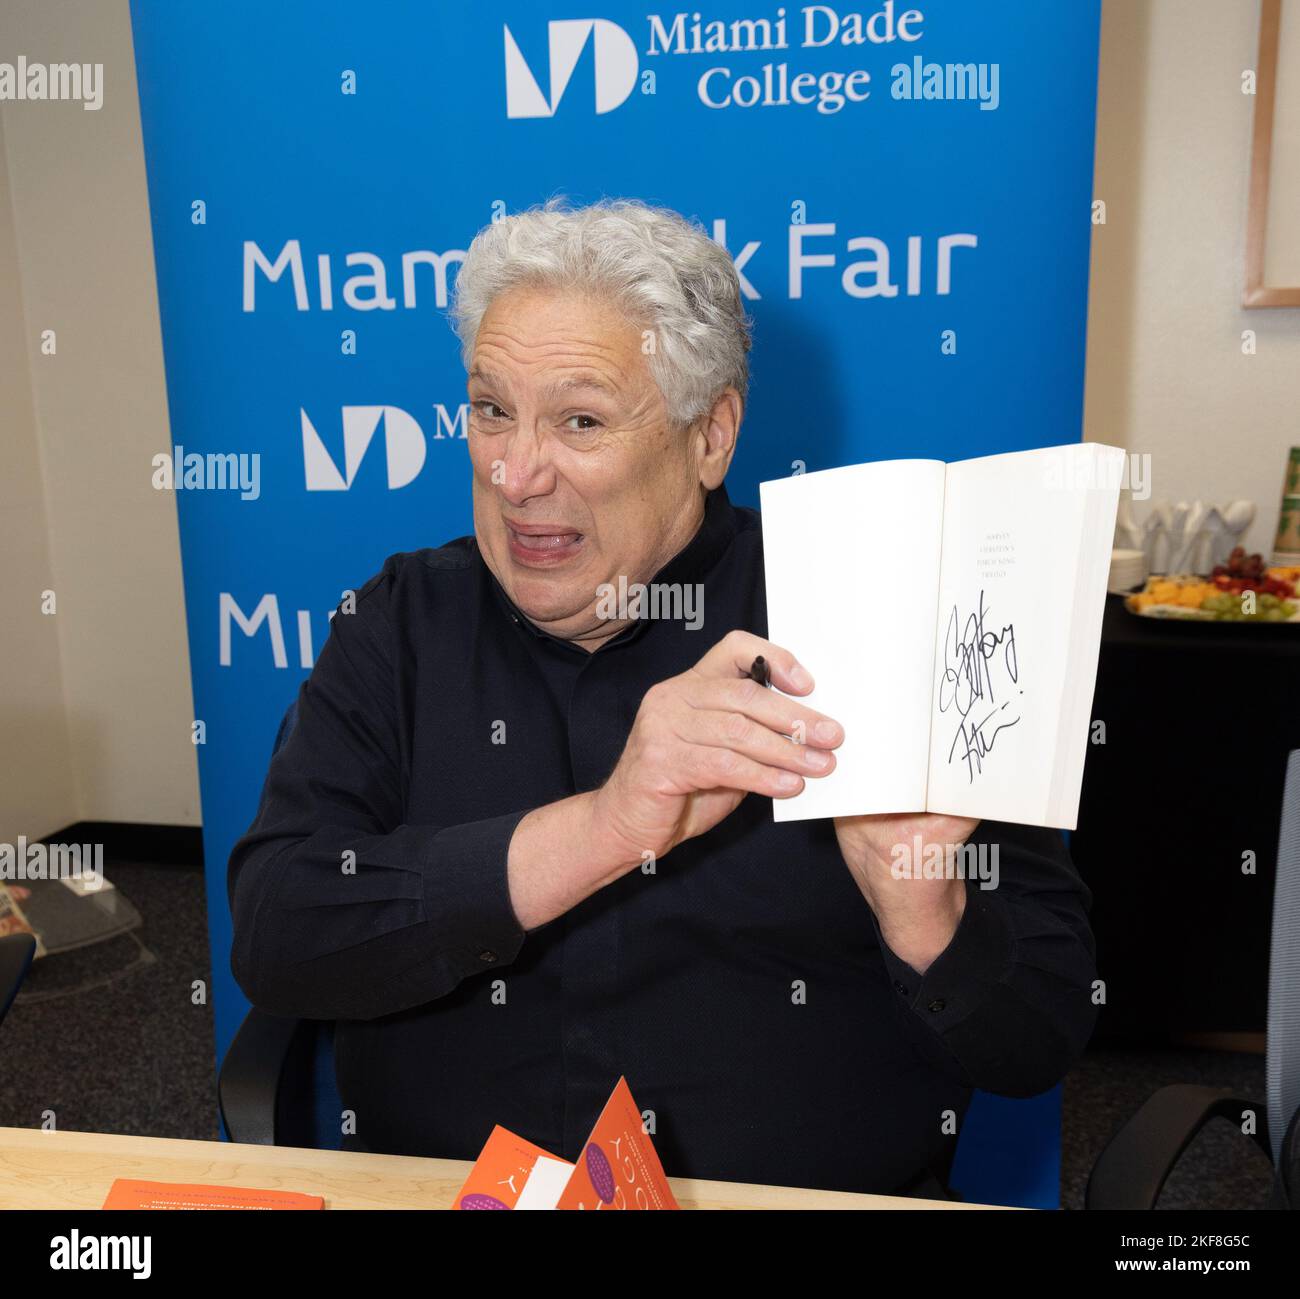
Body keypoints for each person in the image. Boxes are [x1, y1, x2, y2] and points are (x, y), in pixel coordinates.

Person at [228, 198, 1097, 1196]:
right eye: (490, 409)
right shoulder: (400, 622)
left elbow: (1040, 1037)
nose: (513, 474)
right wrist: (599, 830)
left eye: (581, 420)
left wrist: (922, 913)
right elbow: (280, 937)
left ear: (709, 434)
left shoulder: (880, 617)